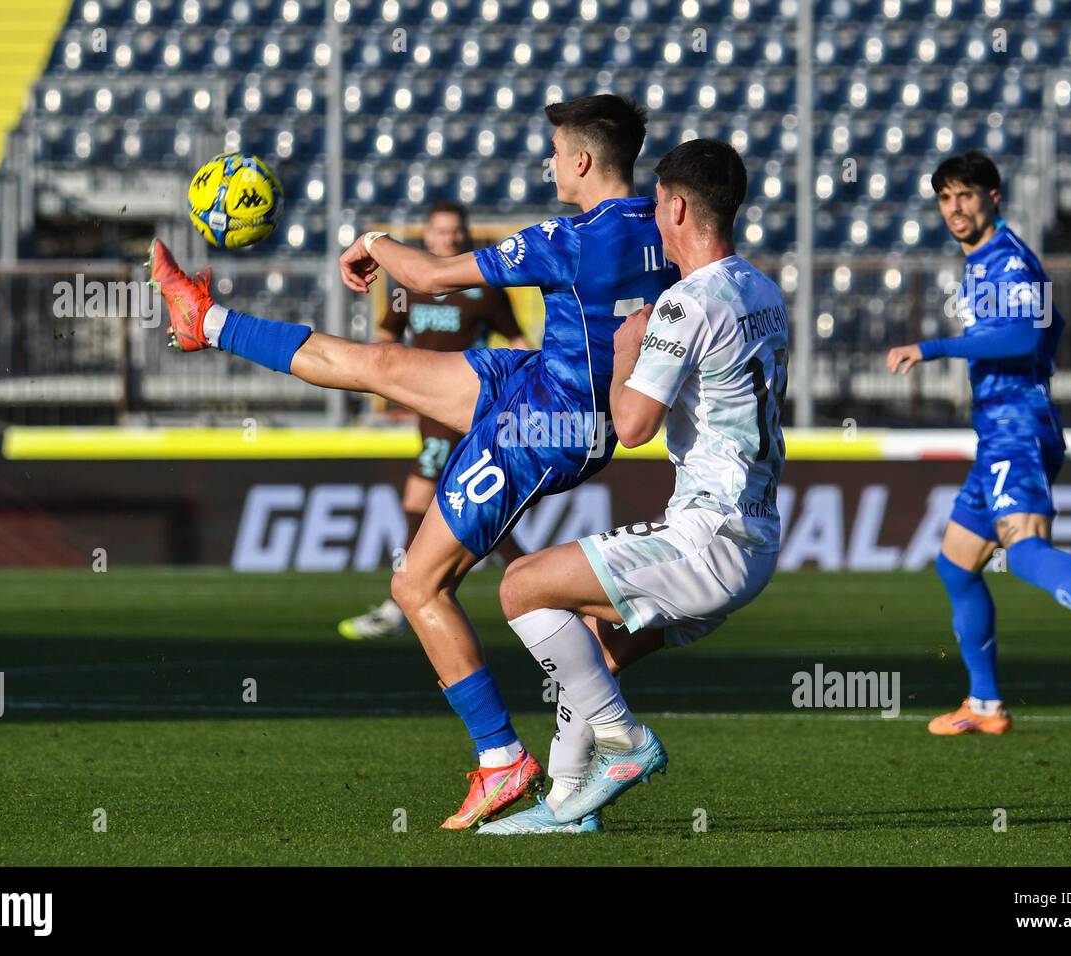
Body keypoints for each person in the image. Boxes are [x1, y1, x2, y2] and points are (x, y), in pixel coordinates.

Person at [146, 93, 679, 828]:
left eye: (556, 153)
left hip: (541, 425)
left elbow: (428, 278)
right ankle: (205, 320)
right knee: (381, 365)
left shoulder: (571, 237)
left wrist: (373, 240)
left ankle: (501, 757)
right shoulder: (663, 227)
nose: (549, 163)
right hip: (547, 386)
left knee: (416, 586)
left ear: (583, 161)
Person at [478, 139, 787, 834]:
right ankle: (566, 804)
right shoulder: (762, 290)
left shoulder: (685, 304)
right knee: (595, 647)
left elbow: (634, 425)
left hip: (709, 536)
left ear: (674, 207)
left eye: (656, 205)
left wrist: (625, 352)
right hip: (755, 531)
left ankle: (626, 744)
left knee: (521, 586)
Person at [885, 149, 1071, 735]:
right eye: (945, 198)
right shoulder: (986, 260)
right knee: (957, 564)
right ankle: (984, 704)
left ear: (993, 197)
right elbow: (1050, 324)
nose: (955, 208)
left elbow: (1020, 338)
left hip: (1017, 427)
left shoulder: (1008, 260)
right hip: (998, 429)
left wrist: (932, 348)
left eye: (966, 195)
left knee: (1023, 547)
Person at [338, 200, 528, 641]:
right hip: (427, 409)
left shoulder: (484, 288)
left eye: (457, 231)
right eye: (442, 232)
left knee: (420, 494)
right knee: (478, 507)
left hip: (467, 406)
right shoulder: (408, 287)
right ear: (427, 236)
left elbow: (518, 341)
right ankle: (537, 583)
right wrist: (392, 383)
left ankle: (400, 604)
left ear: (466, 235)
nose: (450, 238)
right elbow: (385, 337)